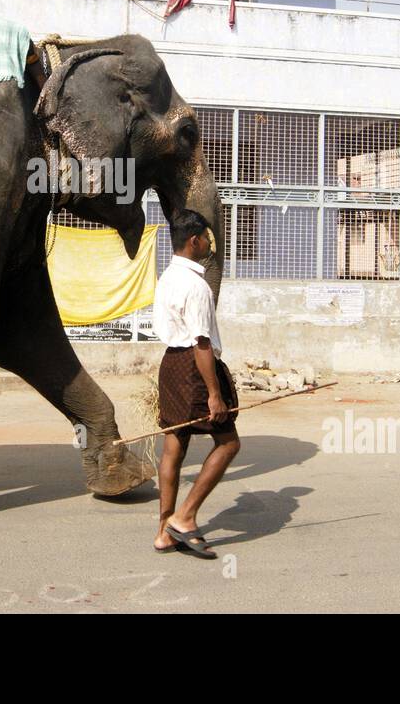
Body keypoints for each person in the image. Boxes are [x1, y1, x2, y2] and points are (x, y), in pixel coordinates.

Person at [150, 210, 241, 559]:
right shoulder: (196, 285)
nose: (208, 243)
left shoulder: (168, 276)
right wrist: (215, 393)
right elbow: (202, 343)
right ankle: (184, 518)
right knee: (229, 444)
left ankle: (163, 533)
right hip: (193, 368)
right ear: (194, 241)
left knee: (174, 449)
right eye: (206, 238)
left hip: (170, 365)